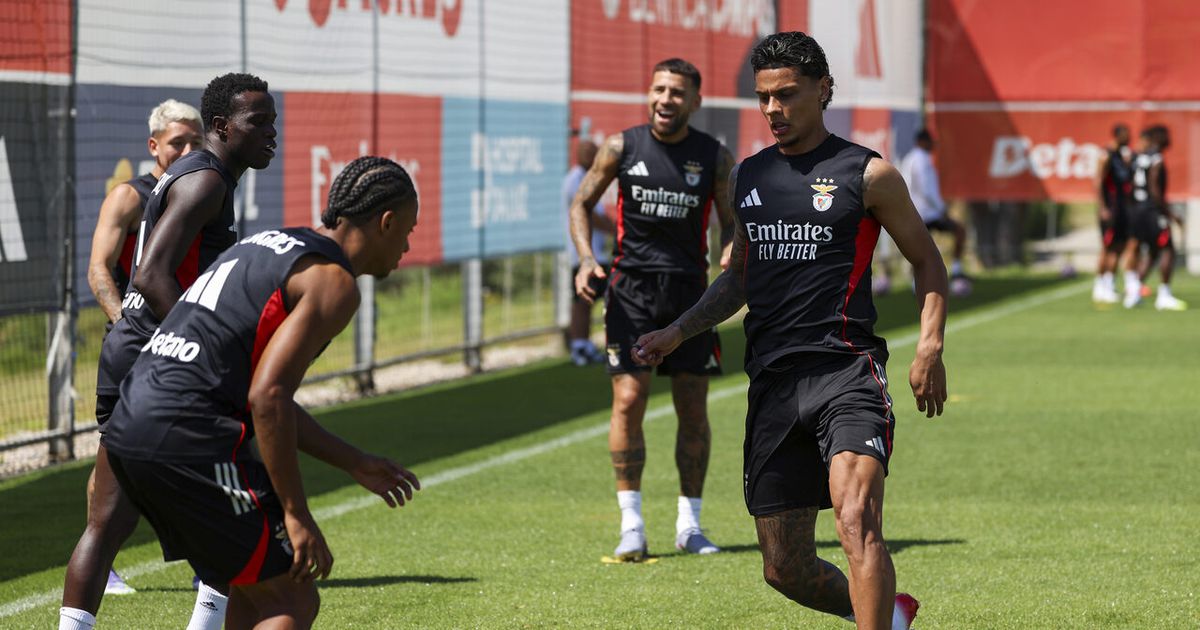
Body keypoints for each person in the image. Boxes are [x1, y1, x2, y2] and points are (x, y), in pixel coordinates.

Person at [632, 32, 946, 630]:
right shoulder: (747, 178)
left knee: (856, 522)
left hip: (846, 373)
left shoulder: (868, 174)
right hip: (774, 384)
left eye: (787, 95)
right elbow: (737, 279)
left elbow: (928, 261)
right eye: (763, 98)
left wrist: (929, 346)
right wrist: (677, 330)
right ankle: (892, 616)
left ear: (824, 90)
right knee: (784, 566)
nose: (774, 110)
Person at [99, 156, 421, 629]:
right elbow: (268, 397)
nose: (408, 246)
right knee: (291, 600)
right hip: (186, 432)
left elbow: (266, 394)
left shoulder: (272, 244)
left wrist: (352, 461)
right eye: (407, 231)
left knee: (251, 595)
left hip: (132, 423)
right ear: (386, 222)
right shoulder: (333, 284)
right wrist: (296, 513)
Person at [60, 73, 277, 630]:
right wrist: (203, 345)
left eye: (273, 120)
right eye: (260, 122)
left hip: (131, 354)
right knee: (233, 498)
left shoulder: (198, 177)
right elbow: (154, 274)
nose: (271, 133)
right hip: (158, 361)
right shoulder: (206, 182)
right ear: (224, 128)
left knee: (107, 524)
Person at [570, 58, 736, 560]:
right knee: (628, 401)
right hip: (630, 293)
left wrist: (731, 249)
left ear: (695, 102)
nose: (666, 99)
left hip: (691, 297)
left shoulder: (714, 156)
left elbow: (732, 221)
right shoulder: (622, 147)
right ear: (649, 93)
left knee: (692, 408)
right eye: (660, 89)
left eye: (677, 92)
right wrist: (584, 260)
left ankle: (690, 525)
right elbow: (580, 204)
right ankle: (632, 526)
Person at [84, 98, 204, 596]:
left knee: (194, 447)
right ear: (154, 146)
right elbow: (98, 270)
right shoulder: (130, 197)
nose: (189, 150)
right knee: (114, 456)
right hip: (138, 345)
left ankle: (206, 560)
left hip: (186, 340)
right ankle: (100, 564)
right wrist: (126, 324)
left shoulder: (205, 191)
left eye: (197, 142)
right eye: (179, 142)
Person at [898, 129, 970, 296]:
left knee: (917, 250)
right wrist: (941, 209)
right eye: (930, 142)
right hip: (928, 213)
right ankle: (956, 270)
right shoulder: (922, 160)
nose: (932, 146)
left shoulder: (909, 159)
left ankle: (916, 282)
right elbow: (927, 190)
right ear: (922, 141)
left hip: (916, 213)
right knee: (959, 231)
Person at [563, 138, 615, 365]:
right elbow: (589, 215)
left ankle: (588, 344)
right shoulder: (575, 179)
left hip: (597, 254)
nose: (591, 156)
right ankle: (579, 346)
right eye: (587, 152)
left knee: (596, 299)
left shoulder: (590, 177)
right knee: (583, 300)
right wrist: (620, 230)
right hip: (585, 255)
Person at [1125, 125, 1185, 310]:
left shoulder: (1139, 158)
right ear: (1159, 138)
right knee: (1168, 249)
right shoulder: (1156, 159)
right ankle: (1164, 295)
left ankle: (1133, 292)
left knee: (1152, 251)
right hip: (1152, 211)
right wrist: (1169, 213)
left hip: (1138, 209)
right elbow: (1154, 189)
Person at [1091, 123, 1135, 304]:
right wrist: (1103, 207)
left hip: (1121, 209)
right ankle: (1099, 284)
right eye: (1126, 134)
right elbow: (1098, 182)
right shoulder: (1106, 156)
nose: (1129, 138)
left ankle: (1109, 284)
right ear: (1117, 135)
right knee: (1107, 247)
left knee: (1119, 247)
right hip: (1110, 209)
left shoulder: (1122, 157)